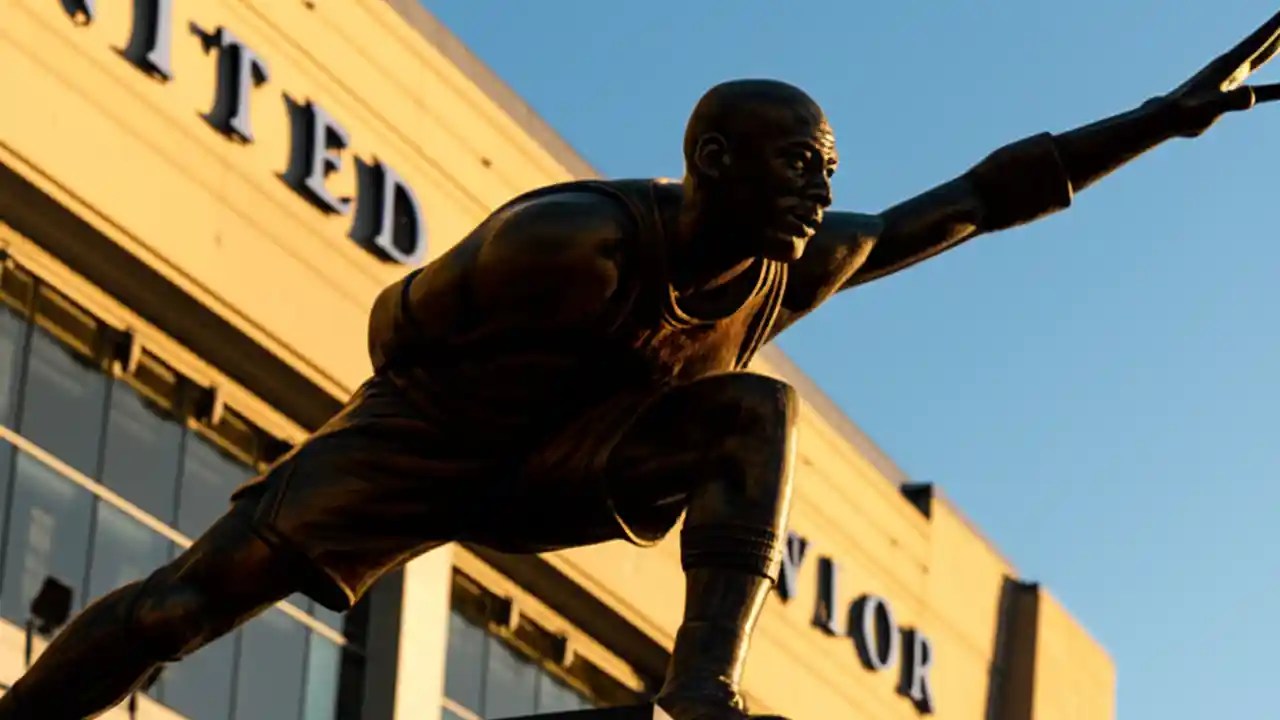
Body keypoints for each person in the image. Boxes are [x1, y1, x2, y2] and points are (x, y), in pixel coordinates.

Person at [3, 11, 1280, 720]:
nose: (819, 190)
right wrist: (452, 424)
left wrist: (1165, 117)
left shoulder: (797, 263)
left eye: (826, 171)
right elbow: (399, 324)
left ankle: (698, 685)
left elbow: (969, 204)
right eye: (795, 165)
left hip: (568, 463)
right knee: (175, 611)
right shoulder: (572, 240)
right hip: (427, 438)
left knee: (753, 414)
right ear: (713, 162)